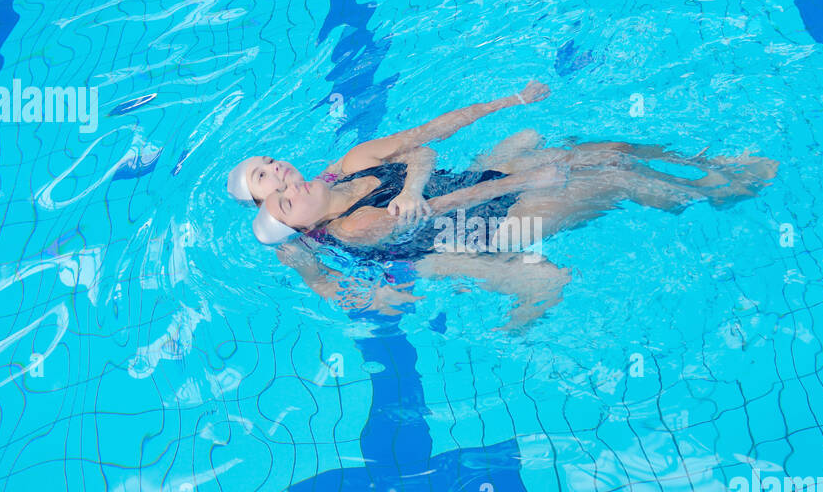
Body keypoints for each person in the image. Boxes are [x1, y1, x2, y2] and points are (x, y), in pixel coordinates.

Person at [229, 84, 777, 325]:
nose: (283, 180)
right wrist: (528, 180)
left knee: (609, 151)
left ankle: (712, 164)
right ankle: (719, 194)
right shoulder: (347, 229)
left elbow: (426, 137)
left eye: (273, 170)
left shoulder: (348, 164)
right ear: (275, 210)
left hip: (472, 186)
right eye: (271, 189)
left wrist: (507, 101)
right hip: (484, 225)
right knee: (615, 179)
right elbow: (445, 213)